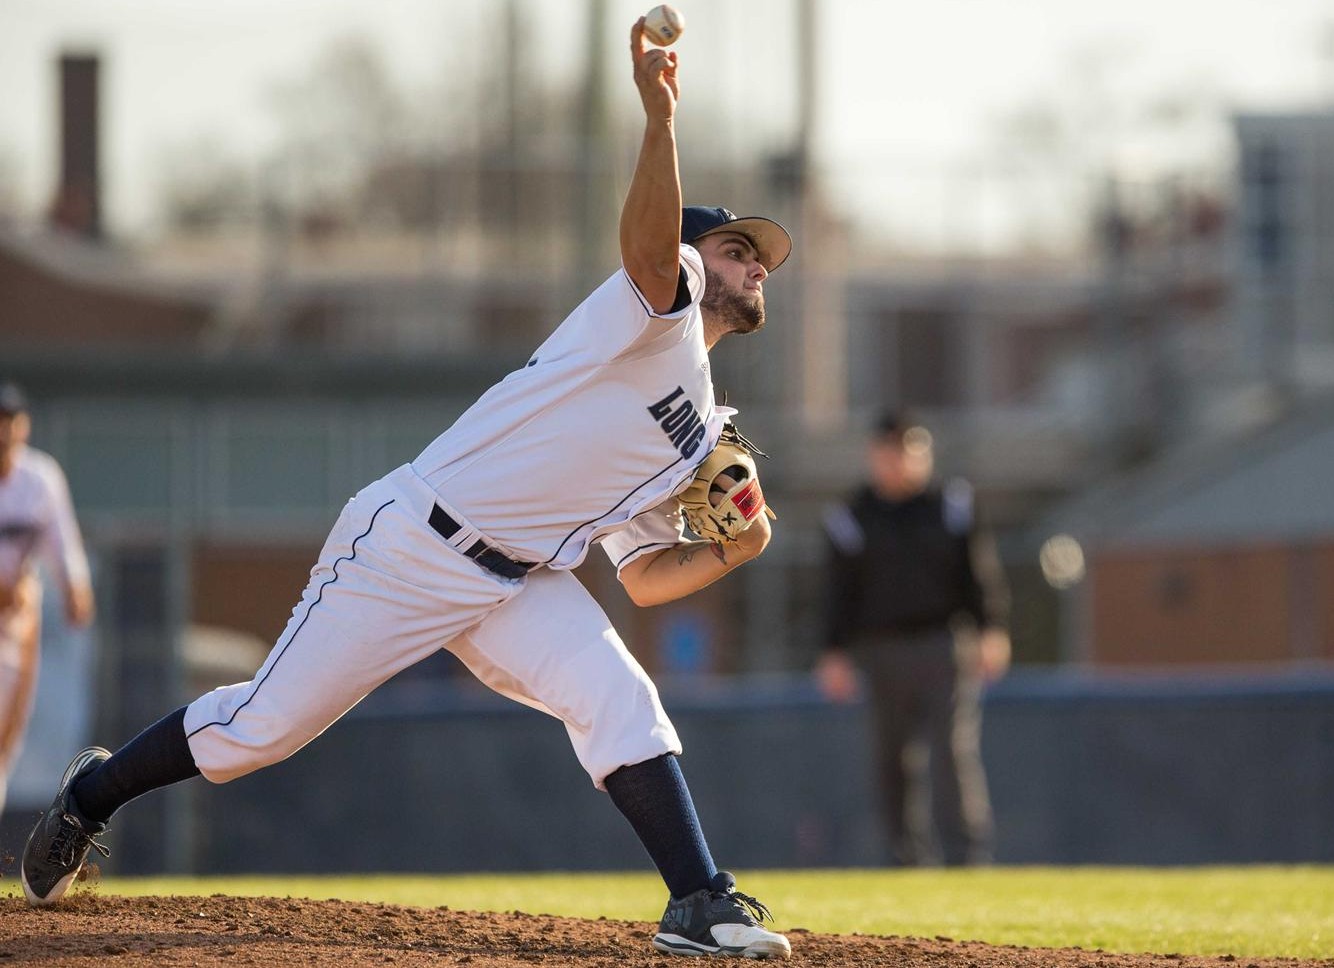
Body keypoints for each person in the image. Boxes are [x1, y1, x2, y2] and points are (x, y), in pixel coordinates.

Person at [24, 20, 791, 960]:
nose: (756, 263)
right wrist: (660, 119)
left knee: (621, 696)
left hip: (519, 580)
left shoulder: (700, 430)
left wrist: (732, 551)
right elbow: (649, 248)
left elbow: (641, 577)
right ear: (694, 250)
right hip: (413, 543)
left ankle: (700, 901)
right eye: (739, 248)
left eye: (762, 258)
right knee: (261, 729)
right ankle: (89, 796)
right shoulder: (654, 304)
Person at [814, 411, 1010, 867]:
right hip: (880, 647)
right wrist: (833, 651)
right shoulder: (851, 516)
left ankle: (966, 855)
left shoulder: (952, 506)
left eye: (908, 450)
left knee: (952, 751)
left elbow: (980, 573)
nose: (898, 461)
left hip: (942, 642)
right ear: (873, 456)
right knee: (891, 756)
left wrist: (991, 628)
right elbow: (837, 592)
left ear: (925, 454)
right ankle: (905, 857)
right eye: (889, 451)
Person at [0, 380, 96, 818]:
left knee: (6, 736)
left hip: (13, 620)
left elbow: (63, 541)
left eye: (10, 421)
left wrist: (73, 585)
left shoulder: (38, 478)